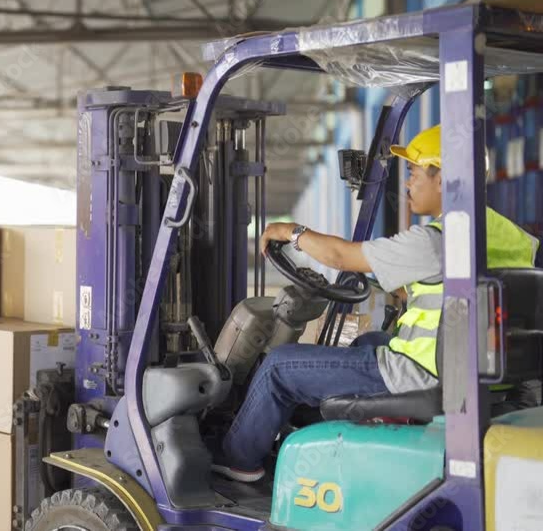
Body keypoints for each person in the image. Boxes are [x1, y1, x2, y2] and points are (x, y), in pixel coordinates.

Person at [212, 124, 540, 483]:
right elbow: (447, 290)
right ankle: (315, 439)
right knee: (368, 342)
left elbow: (339, 256)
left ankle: (238, 460)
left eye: (414, 173)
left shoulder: (433, 242)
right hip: (480, 379)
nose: (408, 183)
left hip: (421, 374)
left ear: (443, 176)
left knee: (278, 367)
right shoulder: (513, 237)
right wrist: (373, 283)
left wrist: (292, 232)